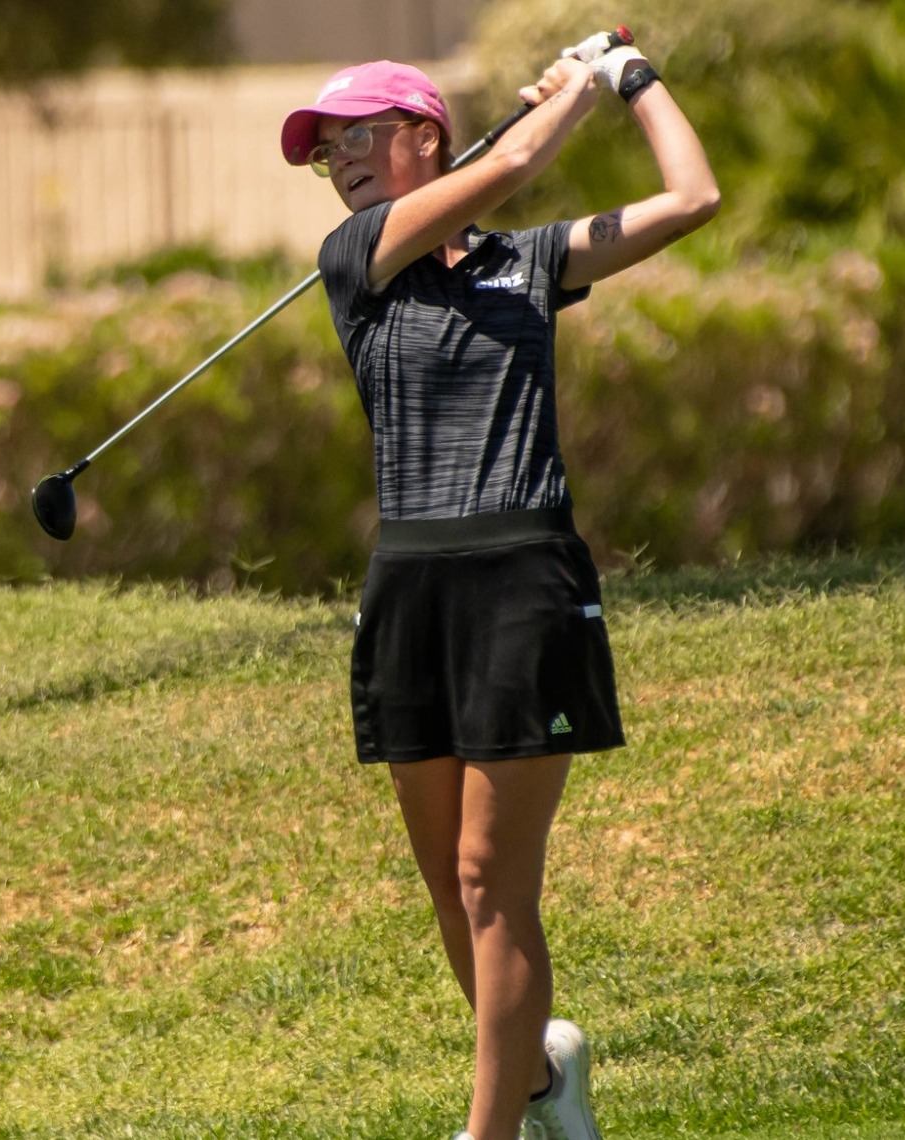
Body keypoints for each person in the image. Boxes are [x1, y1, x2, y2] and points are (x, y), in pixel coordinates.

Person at [279, 37, 719, 1140]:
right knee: (444, 884)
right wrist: (565, 95)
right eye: (325, 150)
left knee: (489, 879)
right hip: (409, 586)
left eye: (358, 136)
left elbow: (691, 197)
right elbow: (512, 164)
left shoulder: (529, 266)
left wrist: (628, 81)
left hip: (523, 577)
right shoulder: (356, 257)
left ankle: (487, 1135)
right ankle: (536, 1080)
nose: (339, 161)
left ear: (424, 134)